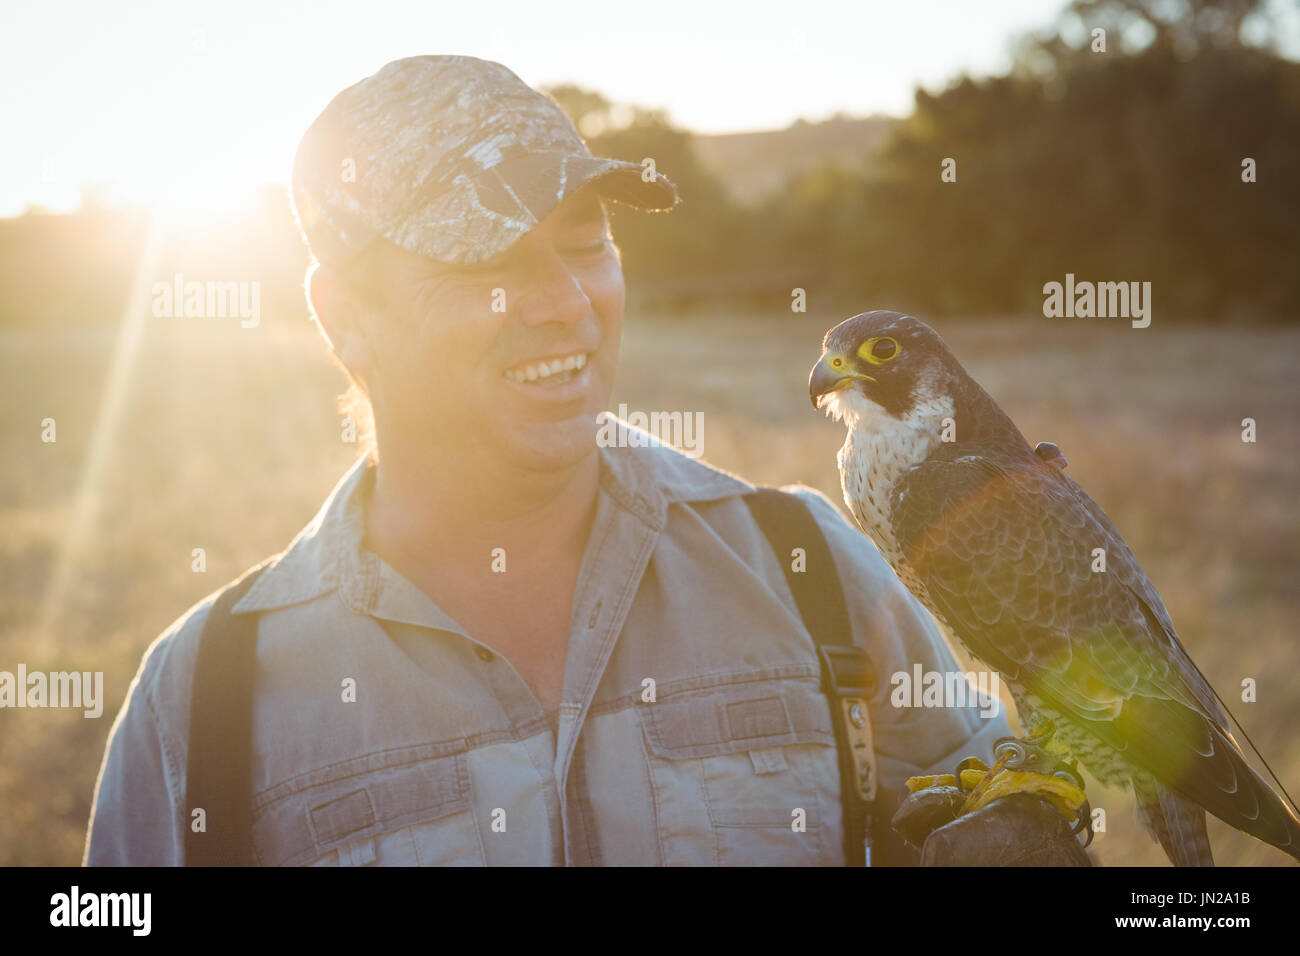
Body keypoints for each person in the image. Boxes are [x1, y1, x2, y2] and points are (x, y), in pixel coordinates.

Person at [84, 54, 1032, 866]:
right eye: (484, 265)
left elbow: (997, 794)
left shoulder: (814, 570)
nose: (566, 303)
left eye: (587, 244)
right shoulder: (203, 709)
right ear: (344, 318)